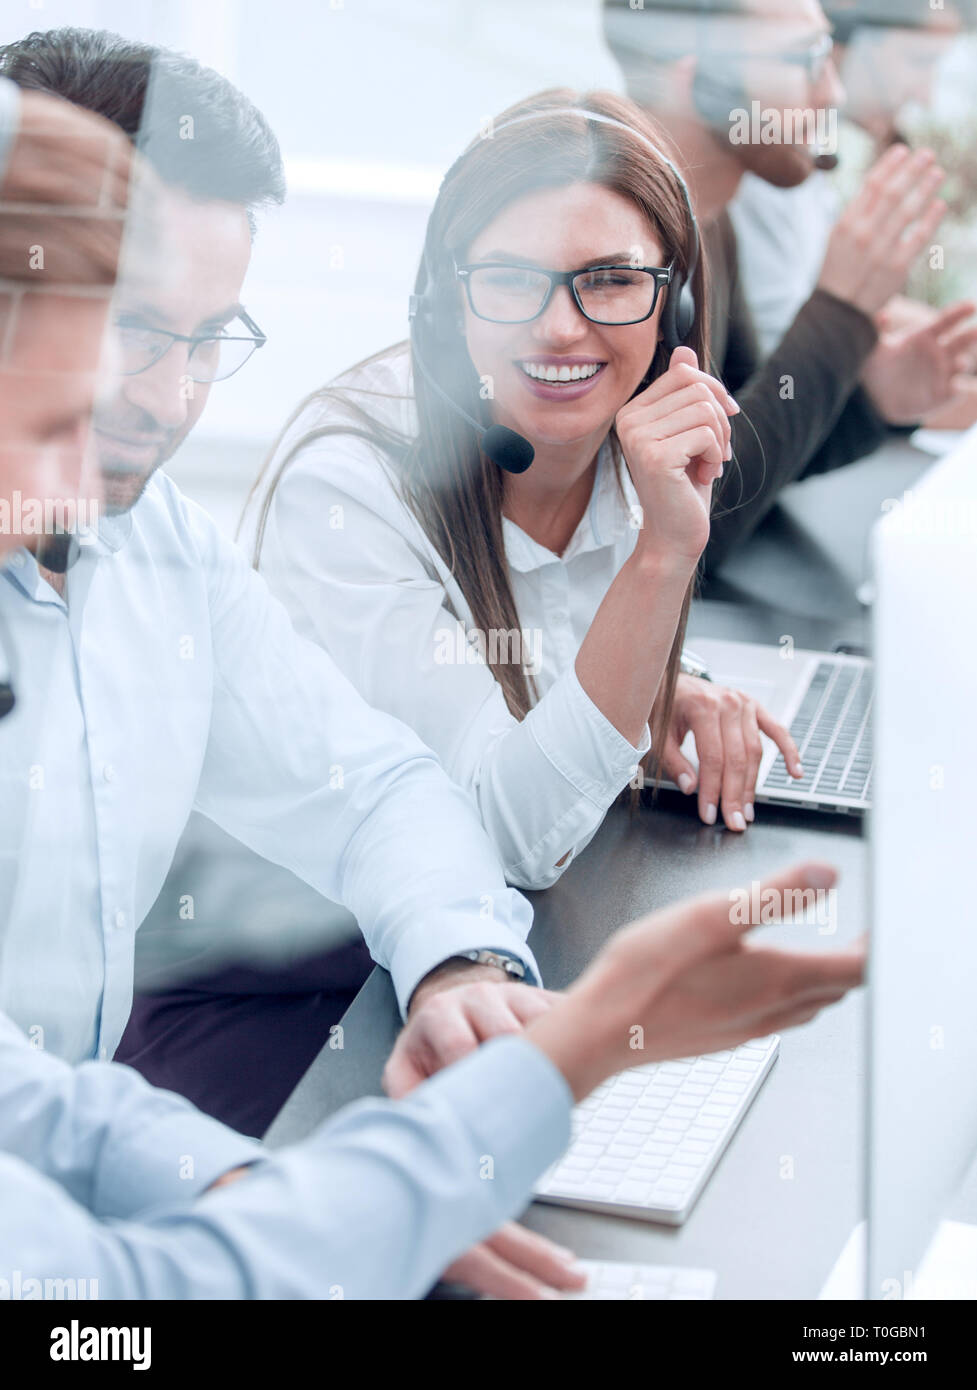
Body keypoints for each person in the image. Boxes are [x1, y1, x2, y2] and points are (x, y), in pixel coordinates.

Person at [0, 78, 865, 1300]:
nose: (168, 405)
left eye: (207, 341)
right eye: (126, 342)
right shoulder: (339, 473)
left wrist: (463, 962)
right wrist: (538, 1071)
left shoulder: (154, 549)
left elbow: (377, 788)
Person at [603, 0, 975, 571]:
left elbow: (738, 464)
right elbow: (682, 536)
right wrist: (839, 312)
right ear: (696, 76)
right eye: (806, 59)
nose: (834, 93)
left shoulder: (713, 230)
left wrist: (875, 401)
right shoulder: (618, 261)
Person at [729, 0, 977, 425]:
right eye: (919, 61)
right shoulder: (767, 173)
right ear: (851, 41)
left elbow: (839, 307)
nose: (925, 93)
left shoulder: (807, 165)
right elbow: (785, 361)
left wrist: (953, 336)